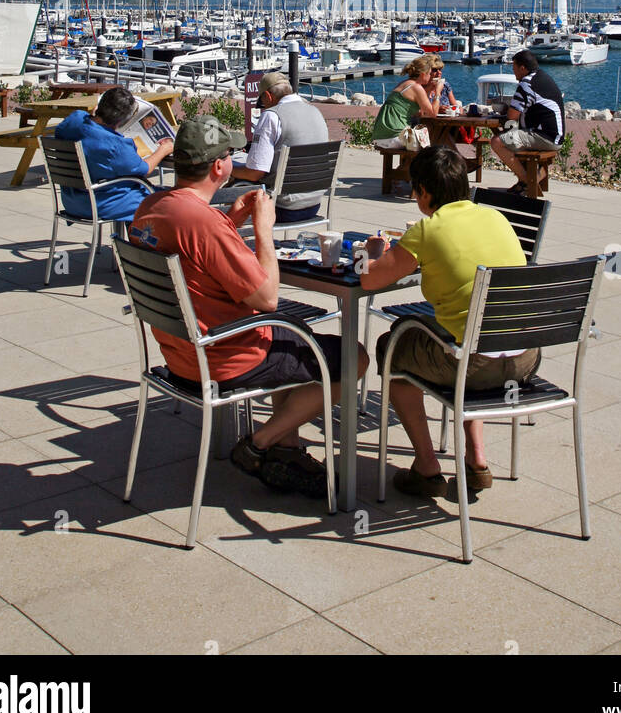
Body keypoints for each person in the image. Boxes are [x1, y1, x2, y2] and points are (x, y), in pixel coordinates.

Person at [129, 117, 367, 496]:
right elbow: (266, 297)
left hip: (180, 356)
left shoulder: (152, 207)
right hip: (226, 358)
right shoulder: (203, 223)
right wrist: (262, 229)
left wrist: (230, 220)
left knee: (293, 340)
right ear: (219, 166)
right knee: (352, 357)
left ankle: (286, 452)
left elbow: (194, 253)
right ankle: (259, 443)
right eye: (229, 154)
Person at [361, 146, 534, 496]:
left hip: (475, 365)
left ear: (425, 191)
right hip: (524, 357)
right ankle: (476, 458)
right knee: (473, 334)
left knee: (392, 346)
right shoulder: (496, 217)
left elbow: (369, 280)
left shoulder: (427, 230)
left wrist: (366, 254)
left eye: (414, 189)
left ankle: (426, 467)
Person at [224, 71, 330, 223]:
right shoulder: (316, 112)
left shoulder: (272, 116)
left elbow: (255, 173)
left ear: (268, 96)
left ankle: (234, 240)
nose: (263, 107)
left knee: (235, 184)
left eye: (262, 102)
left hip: (282, 207)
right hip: (313, 204)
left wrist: (228, 169)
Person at [54, 85, 173, 219]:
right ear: (121, 120)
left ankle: (130, 238)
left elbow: (83, 124)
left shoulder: (74, 120)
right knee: (169, 198)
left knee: (137, 190)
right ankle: (136, 239)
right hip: (101, 203)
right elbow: (144, 169)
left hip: (71, 199)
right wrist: (164, 149)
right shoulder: (114, 145)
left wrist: (96, 117)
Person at [489, 49, 565, 194]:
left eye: (514, 68)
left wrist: (504, 109)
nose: (514, 73)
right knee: (511, 138)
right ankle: (532, 177)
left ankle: (527, 181)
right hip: (555, 136)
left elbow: (512, 116)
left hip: (545, 137)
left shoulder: (526, 83)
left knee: (497, 142)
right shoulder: (542, 77)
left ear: (522, 67)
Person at [372, 55, 438, 143]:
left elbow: (419, 112)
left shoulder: (404, 84)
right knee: (433, 143)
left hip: (380, 136)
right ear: (423, 74)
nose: (430, 76)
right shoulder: (417, 87)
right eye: (429, 73)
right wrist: (438, 92)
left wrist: (429, 90)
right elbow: (433, 113)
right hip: (395, 136)